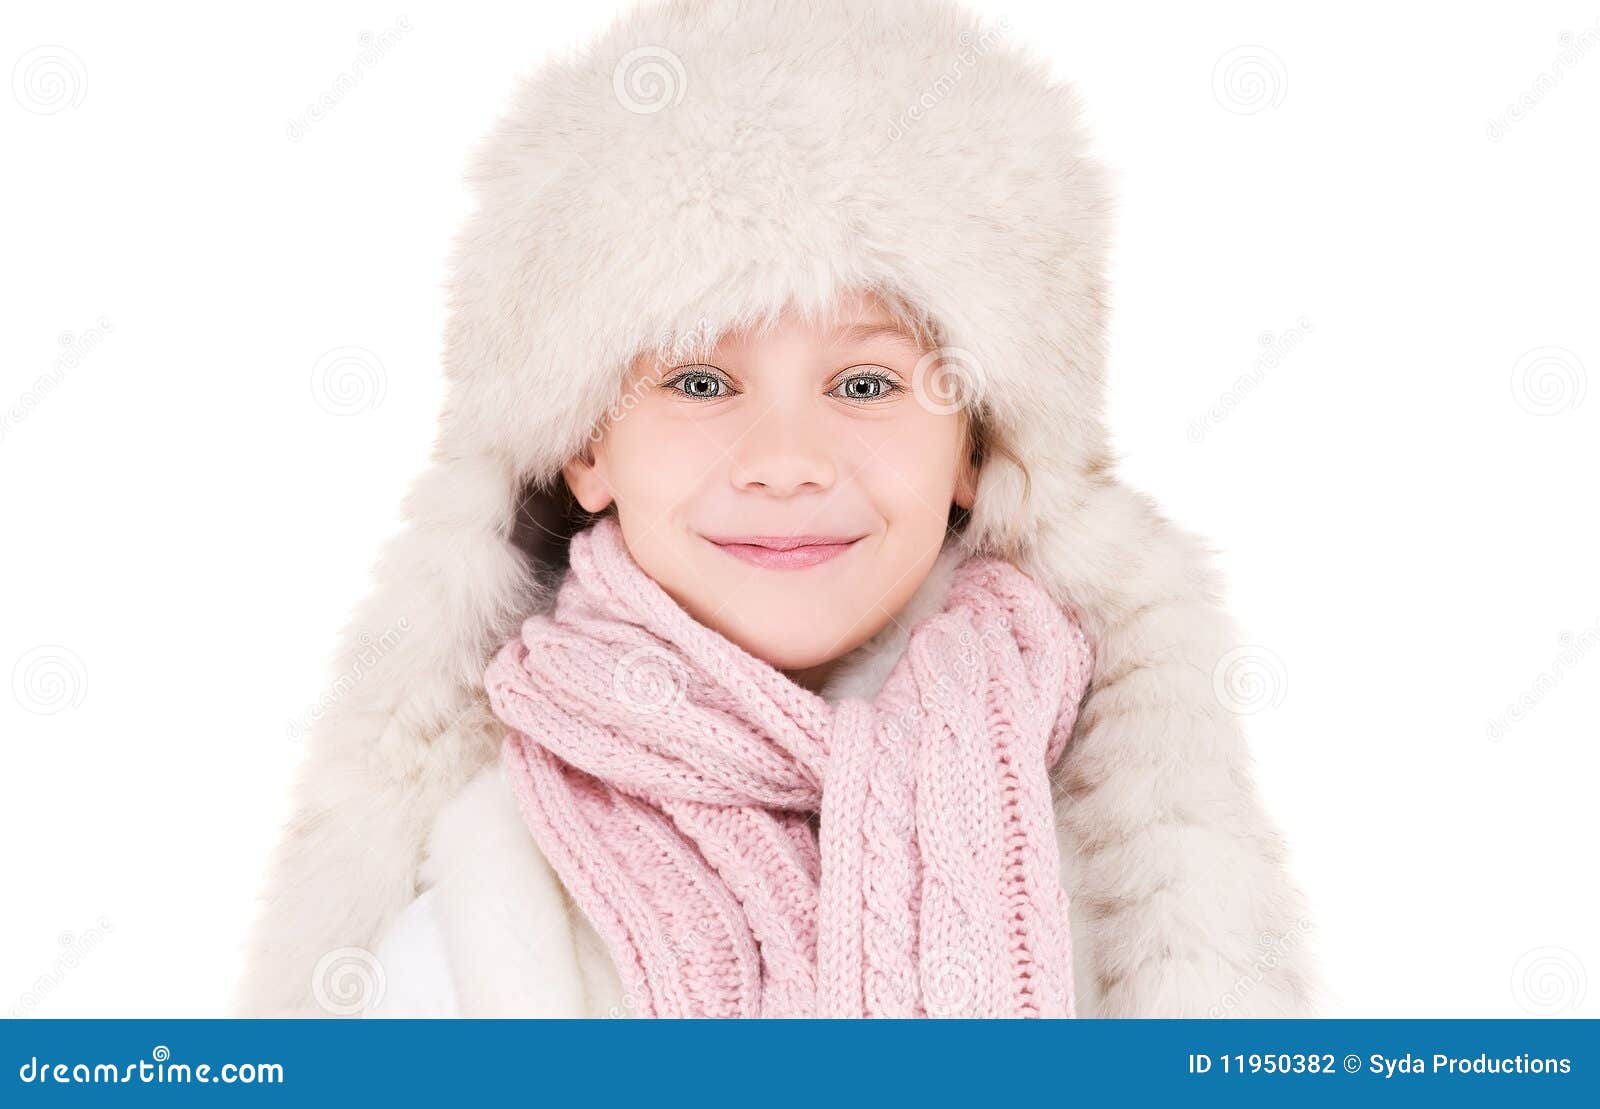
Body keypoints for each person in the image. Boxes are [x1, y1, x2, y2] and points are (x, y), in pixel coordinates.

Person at [234, 0, 1325, 1018]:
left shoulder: (1130, 889)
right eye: (701, 383)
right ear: (583, 445)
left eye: (866, 384)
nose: (788, 462)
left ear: (975, 443)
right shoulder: (475, 914)